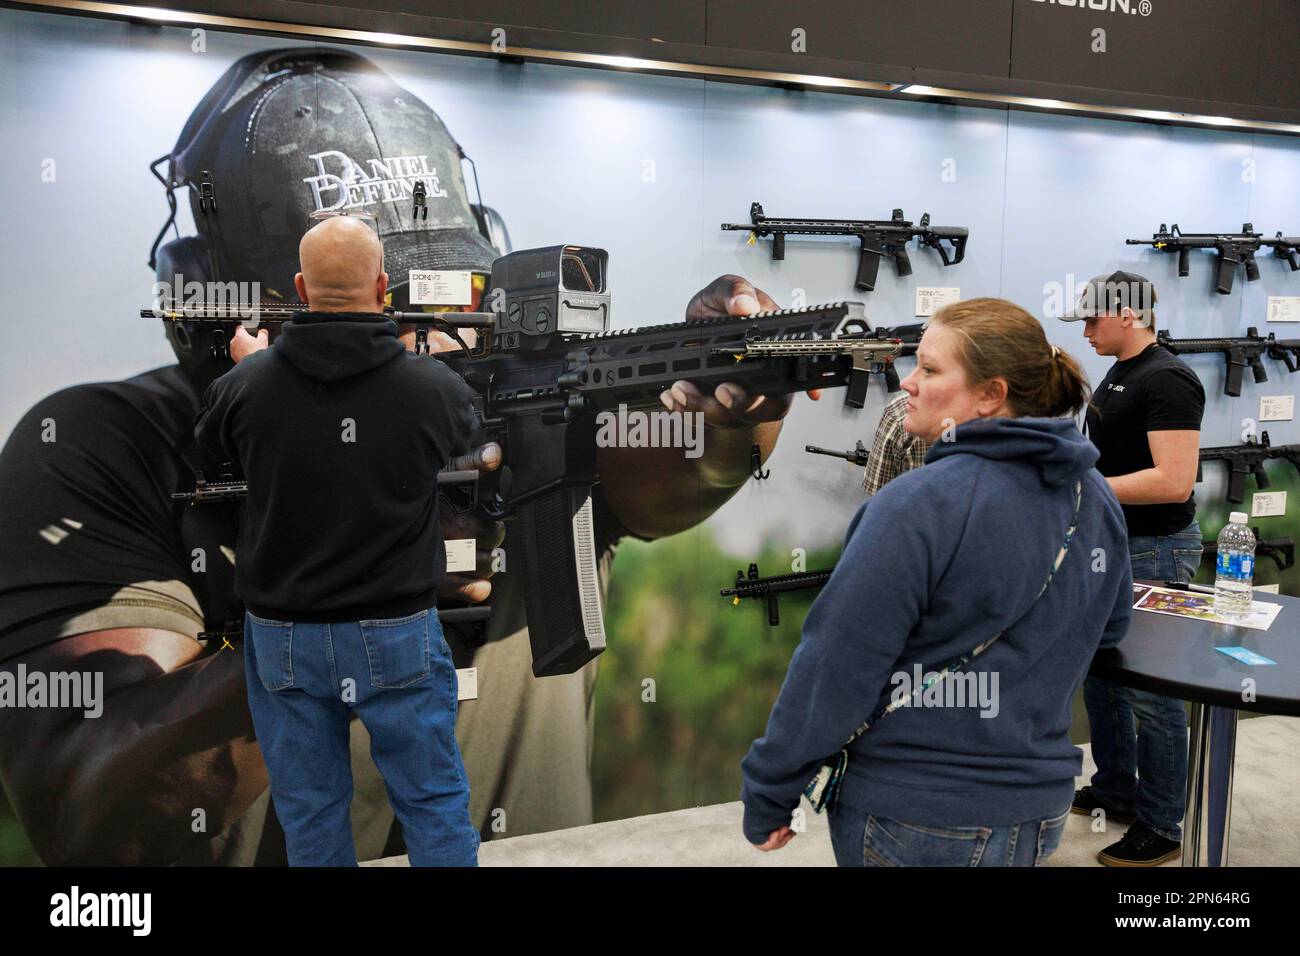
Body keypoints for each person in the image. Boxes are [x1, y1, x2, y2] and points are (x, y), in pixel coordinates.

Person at [0, 46, 817, 864]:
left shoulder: (515, 392)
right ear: (219, 319)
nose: (414, 345)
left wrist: (732, 398)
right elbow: (99, 816)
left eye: (443, 298)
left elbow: (690, 466)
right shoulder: (101, 449)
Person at [740, 298, 1133, 867]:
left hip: (915, 816)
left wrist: (769, 791)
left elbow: (834, 668)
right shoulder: (1092, 494)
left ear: (990, 394)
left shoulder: (915, 505)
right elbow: (1109, 626)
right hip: (1036, 808)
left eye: (929, 369)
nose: (908, 381)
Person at [191, 215, 481, 866]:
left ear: (301, 286)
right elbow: (463, 438)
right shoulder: (433, 389)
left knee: (312, 814)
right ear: (383, 287)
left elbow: (211, 452)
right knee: (432, 803)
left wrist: (254, 369)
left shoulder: (245, 386)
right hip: (396, 630)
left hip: (285, 635)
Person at [1064, 271, 1205, 867]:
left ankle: (1162, 825)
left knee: (1153, 695)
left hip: (1156, 551)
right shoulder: (1121, 372)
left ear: (1129, 313)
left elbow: (1173, 481)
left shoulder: (1168, 378)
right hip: (1115, 548)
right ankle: (1117, 790)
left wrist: (1081, 484)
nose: (1086, 331)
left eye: (1094, 319)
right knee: (1104, 682)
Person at [861, 392, 930, 495]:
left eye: (929, 374)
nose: (905, 383)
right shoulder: (899, 411)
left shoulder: (899, 410)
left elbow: (879, 496)